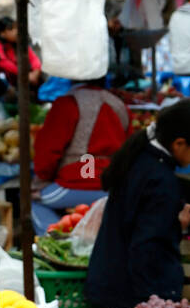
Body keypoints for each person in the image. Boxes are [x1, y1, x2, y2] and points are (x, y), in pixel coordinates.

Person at [86, 99, 190, 308]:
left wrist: (174, 221)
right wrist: (157, 305)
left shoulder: (139, 159)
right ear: (179, 144)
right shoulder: (161, 180)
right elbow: (148, 246)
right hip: (129, 296)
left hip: (108, 283)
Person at [33, 77, 130, 213]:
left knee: (31, 201)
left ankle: (51, 234)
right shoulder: (119, 105)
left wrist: (42, 179)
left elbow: (47, 152)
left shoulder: (67, 103)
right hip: (112, 184)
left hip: (77, 180)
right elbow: (130, 148)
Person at [0, 16, 42, 89]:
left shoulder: (19, 43)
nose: (16, 31)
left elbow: (33, 58)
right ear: (2, 33)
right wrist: (25, 75)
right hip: (9, 82)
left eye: (16, 28)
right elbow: (3, 62)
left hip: (27, 77)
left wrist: (35, 72)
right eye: (11, 29)